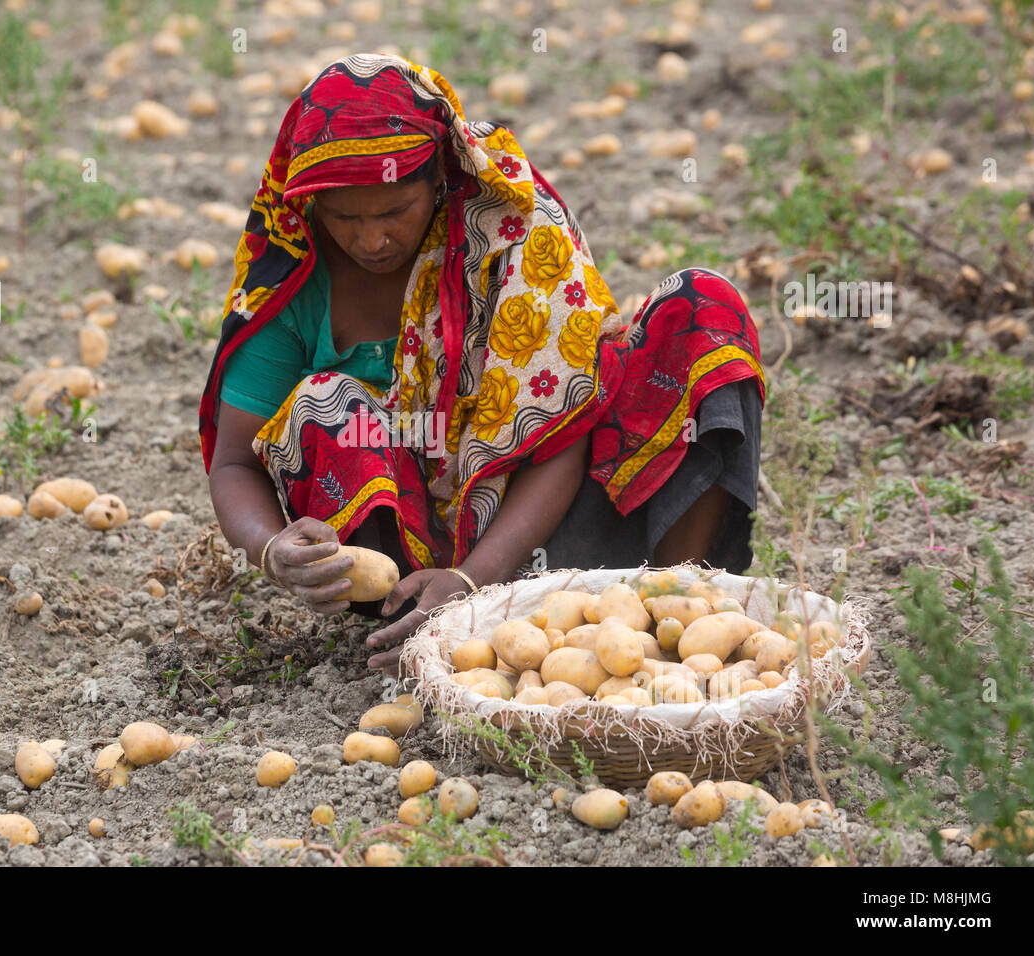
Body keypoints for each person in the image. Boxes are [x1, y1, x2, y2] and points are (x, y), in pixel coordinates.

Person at [200, 53, 764, 675]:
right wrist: (270, 546)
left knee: (702, 308)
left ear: (439, 178)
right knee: (324, 406)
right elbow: (234, 462)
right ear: (311, 207)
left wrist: (475, 580)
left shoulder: (513, 239)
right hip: (413, 570)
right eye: (344, 218)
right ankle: (424, 633)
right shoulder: (296, 281)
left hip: (555, 528)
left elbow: (560, 436)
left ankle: (671, 609)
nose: (370, 240)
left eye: (394, 212)